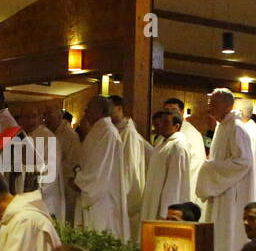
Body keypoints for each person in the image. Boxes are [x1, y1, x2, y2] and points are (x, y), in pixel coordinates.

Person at [196, 88, 254, 251]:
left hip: (230, 194)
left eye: (214, 104)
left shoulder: (236, 128)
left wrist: (211, 168)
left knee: (225, 236)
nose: (209, 108)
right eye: (209, 103)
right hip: (221, 190)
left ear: (228, 105)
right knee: (216, 234)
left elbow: (243, 162)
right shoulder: (223, 127)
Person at [73, 96, 129, 236]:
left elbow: (100, 169)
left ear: (101, 111)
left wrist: (79, 181)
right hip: (90, 191)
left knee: (99, 233)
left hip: (100, 197)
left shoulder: (108, 133)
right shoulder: (97, 131)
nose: (85, 111)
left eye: (89, 108)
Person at [108, 95, 152, 241]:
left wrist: (122, 193)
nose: (107, 111)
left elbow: (130, 168)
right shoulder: (114, 130)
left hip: (126, 193)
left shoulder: (129, 134)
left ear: (119, 109)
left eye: (110, 108)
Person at [142, 109, 194, 221]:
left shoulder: (178, 146)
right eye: (161, 122)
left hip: (165, 205)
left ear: (176, 126)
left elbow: (175, 181)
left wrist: (167, 211)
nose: (161, 125)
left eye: (166, 122)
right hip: (154, 197)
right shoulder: (163, 143)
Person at [20, 105, 64, 222]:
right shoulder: (24, 137)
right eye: (26, 117)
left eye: (34, 116)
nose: (30, 121)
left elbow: (50, 170)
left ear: (41, 118)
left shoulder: (48, 137)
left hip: (45, 199)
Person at [163, 97, 206, 199]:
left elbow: (196, 162)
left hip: (184, 182)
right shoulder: (165, 133)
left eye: (173, 110)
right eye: (166, 111)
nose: (170, 113)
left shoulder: (192, 134)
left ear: (182, 112)